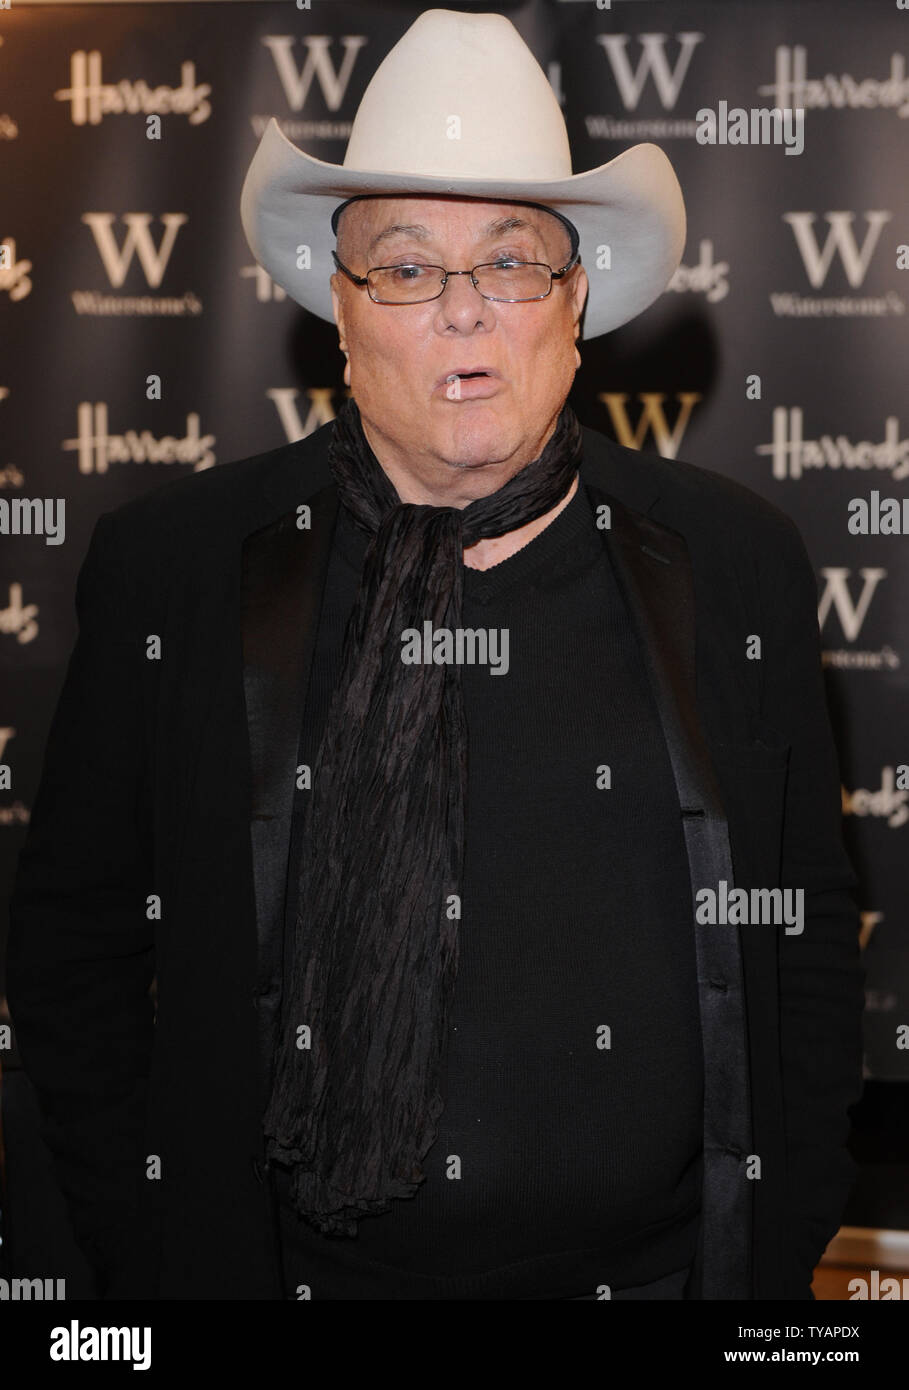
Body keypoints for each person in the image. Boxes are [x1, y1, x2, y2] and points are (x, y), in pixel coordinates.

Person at [6, 9, 864, 1301]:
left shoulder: (734, 564)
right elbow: (77, 959)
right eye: (405, 268)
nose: (464, 312)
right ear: (336, 315)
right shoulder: (176, 573)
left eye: (511, 261)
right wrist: (157, 1261)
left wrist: (769, 1252)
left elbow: (797, 944)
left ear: (574, 301)